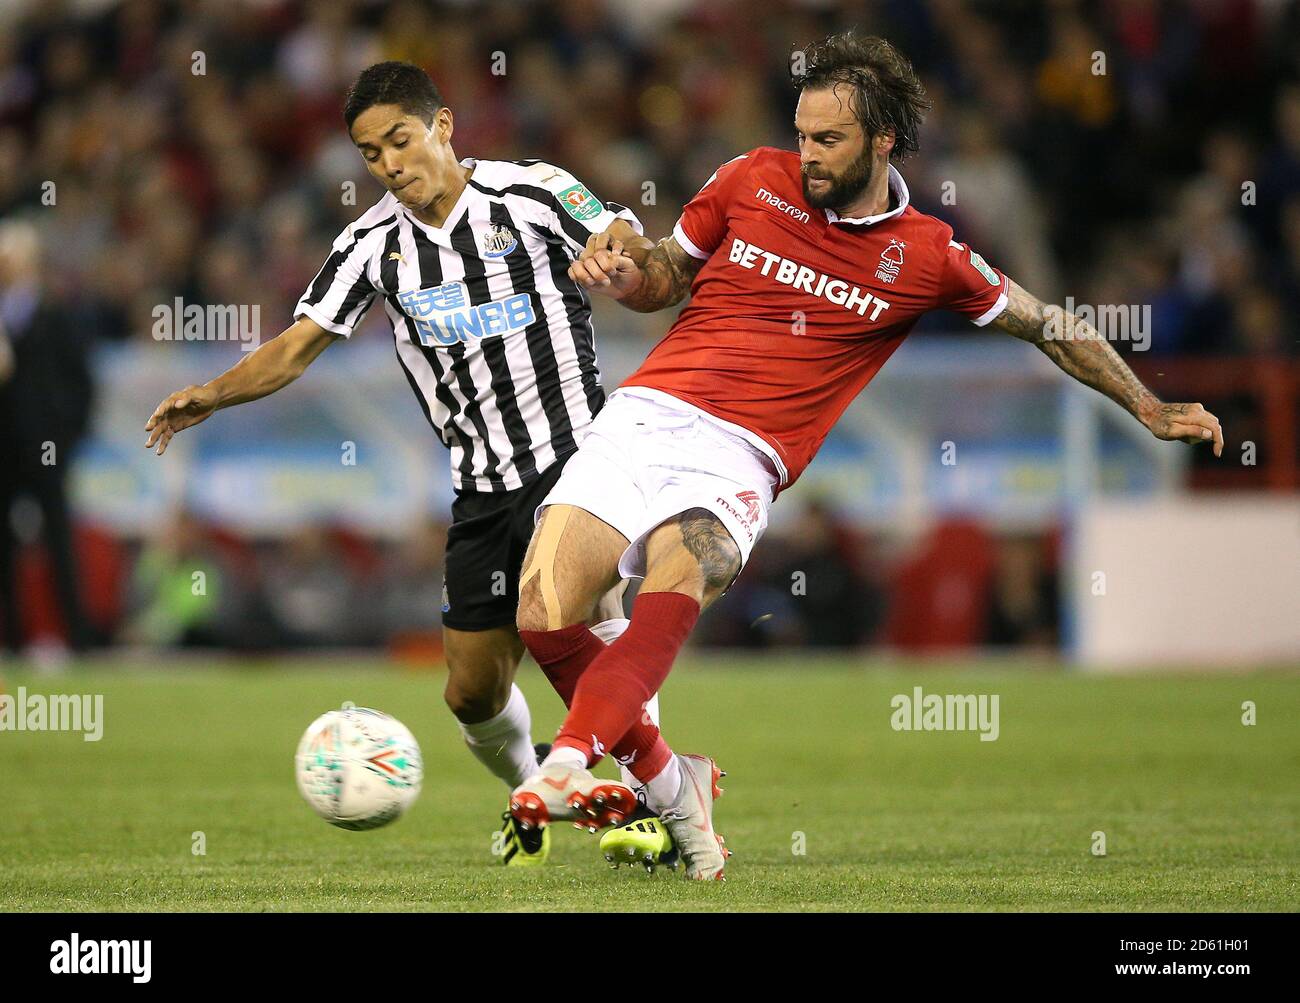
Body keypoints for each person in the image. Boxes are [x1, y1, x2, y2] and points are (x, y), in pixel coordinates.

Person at [507, 32, 1224, 881]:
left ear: (883, 140)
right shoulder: (749, 177)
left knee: (680, 571)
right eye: (803, 135)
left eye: (828, 141)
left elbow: (1047, 323)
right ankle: (674, 780)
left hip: (742, 458)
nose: (806, 155)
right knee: (544, 612)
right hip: (645, 413)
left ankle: (565, 765)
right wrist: (629, 278)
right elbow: (667, 271)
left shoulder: (928, 255)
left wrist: (1147, 403)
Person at [144, 61, 681, 868]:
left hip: (578, 462)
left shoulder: (531, 195)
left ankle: (658, 808)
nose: (390, 164)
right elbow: (297, 347)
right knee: (471, 691)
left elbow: (634, 255)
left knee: (576, 619)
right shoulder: (370, 247)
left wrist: (625, 257)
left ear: (444, 126)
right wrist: (212, 395)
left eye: (400, 140)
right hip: (481, 488)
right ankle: (536, 793)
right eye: (370, 153)